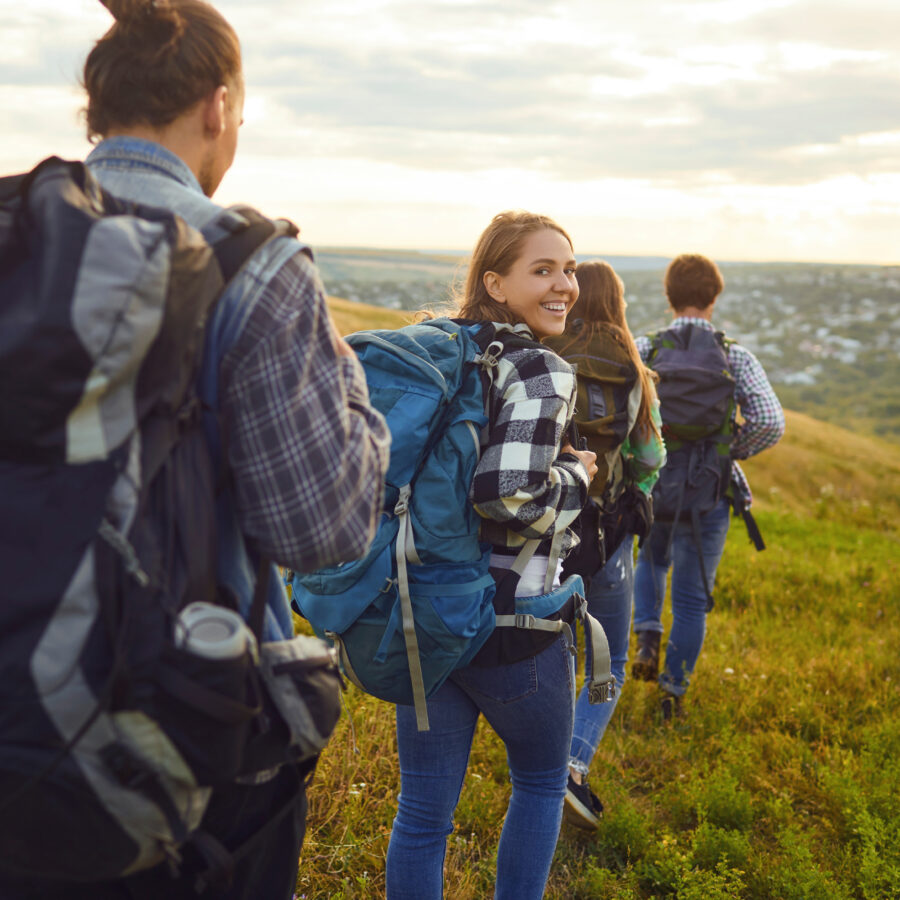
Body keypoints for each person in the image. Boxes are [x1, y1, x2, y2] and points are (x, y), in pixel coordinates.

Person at [0, 1, 390, 898]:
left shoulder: (12, 228)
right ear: (218, 108)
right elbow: (322, 529)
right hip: (183, 742)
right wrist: (360, 409)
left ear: (96, 107)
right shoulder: (251, 259)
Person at [384, 211, 598, 900]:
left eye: (569, 268)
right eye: (544, 270)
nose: (565, 284)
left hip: (424, 614)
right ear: (496, 283)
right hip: (513, 624)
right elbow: (505, 496)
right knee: (539, 783)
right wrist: (578, 480)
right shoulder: (540, 369)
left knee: (421, 816)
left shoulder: (436, 348)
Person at [631, 253, 785, 719]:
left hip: (653, 484)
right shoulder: (735, 355)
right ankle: (672, 693)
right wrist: (725, 451)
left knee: (652, 561)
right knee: (694, 600)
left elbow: (623, 412)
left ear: (669, 296)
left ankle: (646, 637)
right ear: (714, 298)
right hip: (710, 494)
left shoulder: (646, 348)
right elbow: (770, 423)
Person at [544, 261, 666, 829]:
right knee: (609, 656)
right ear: (616, 301)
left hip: (540, 526)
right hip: (607, 529)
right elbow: (651, 458)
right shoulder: (634, 370)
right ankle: (569, 765)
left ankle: (539, 760)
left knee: (548, 646)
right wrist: (635, 487)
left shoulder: (543, 352)